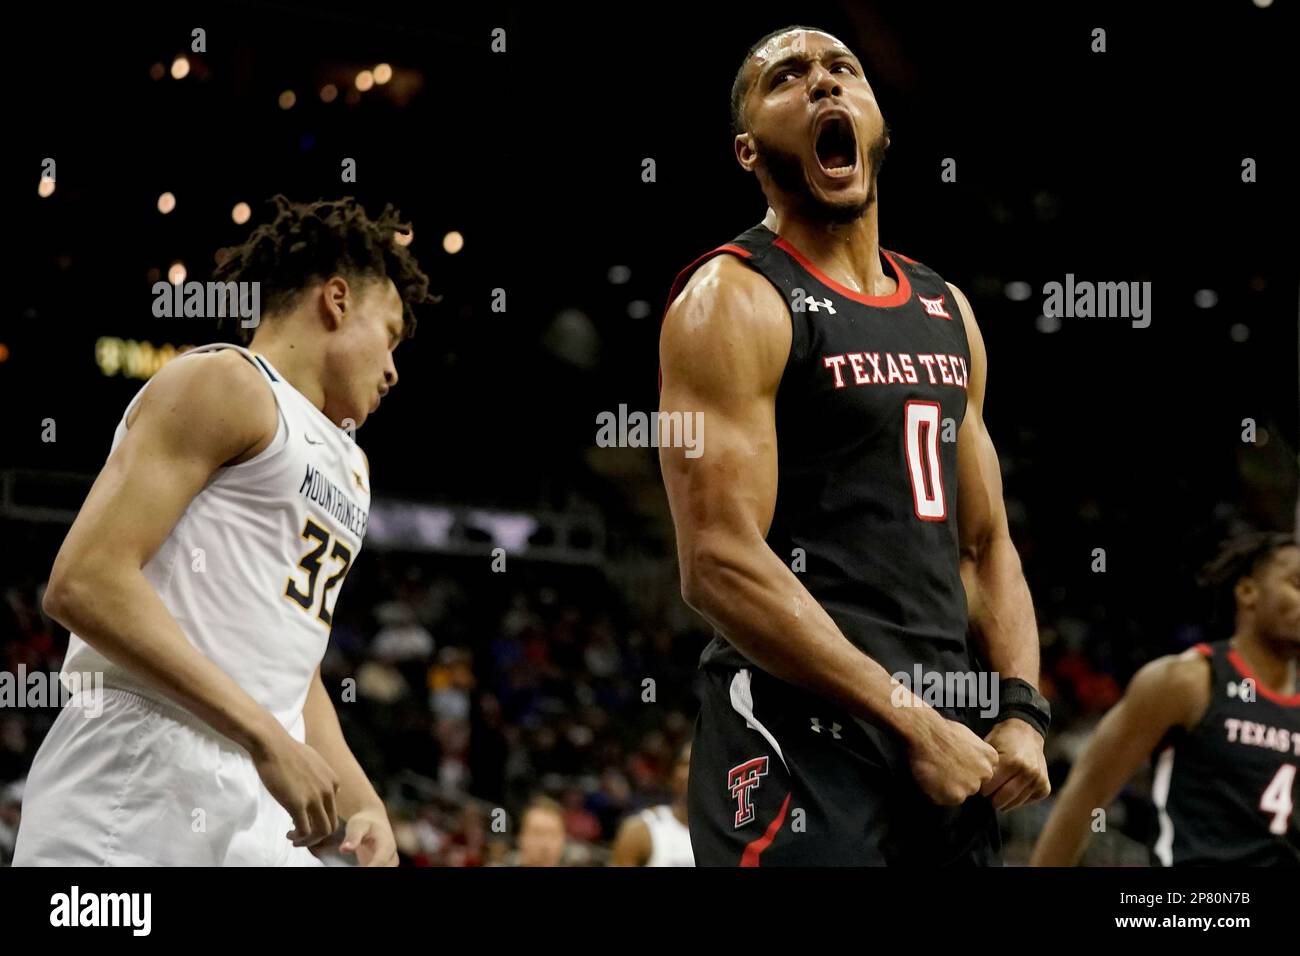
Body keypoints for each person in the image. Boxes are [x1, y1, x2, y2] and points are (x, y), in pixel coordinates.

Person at [658, 26, 1050, 866]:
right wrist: (906, 716)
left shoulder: (947, 311)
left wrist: (1020, 705)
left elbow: (986, 549)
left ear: (875, 120)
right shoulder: (731, 299)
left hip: (948, 734)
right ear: (748, 150)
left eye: (844, 70)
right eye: (788, 78)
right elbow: (718, 560)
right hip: (801, 738)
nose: (824, 85)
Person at [15, 196, 435, 866]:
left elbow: (294, 668)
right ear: (336, 300)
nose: (393, 368)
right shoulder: (225, 382)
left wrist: (365, 803)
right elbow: (84, 583)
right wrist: (265, 735)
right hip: (139, 769)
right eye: (389, 336)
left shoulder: (349, 466)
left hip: (258, 785)